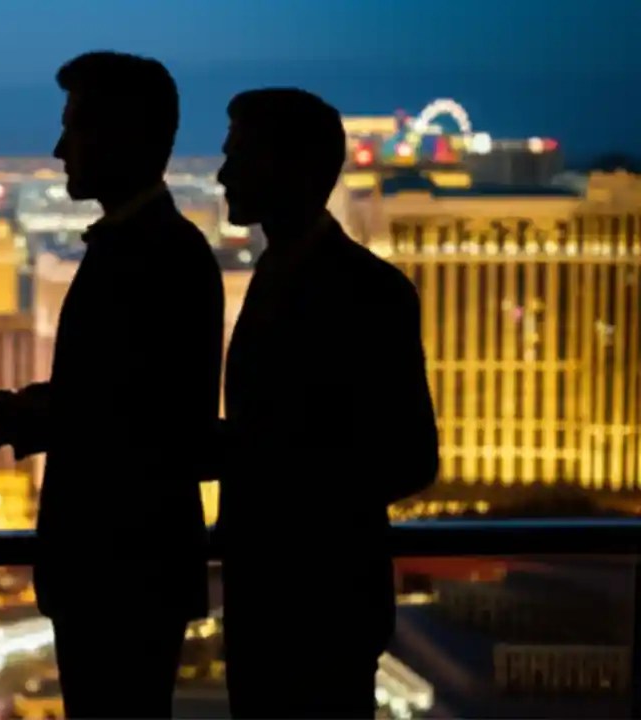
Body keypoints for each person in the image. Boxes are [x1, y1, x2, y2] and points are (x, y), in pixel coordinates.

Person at [0, 52, 225, 718]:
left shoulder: (162, 254)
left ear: (124, 137)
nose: (60, 149)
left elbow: (167, 426)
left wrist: (44, 422)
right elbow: (127, 396)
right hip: (121, 565)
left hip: (122, 566)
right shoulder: (146, 247)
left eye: (75, 127)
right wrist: (40, 408)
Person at [215, 88, 439, 718]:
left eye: (241, 156)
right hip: (267, 599)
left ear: (297, 167)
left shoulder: (368, 292)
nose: (223, 173)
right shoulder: (274, 275)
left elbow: (410, 459)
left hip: (322, 608)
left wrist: (249, 456)